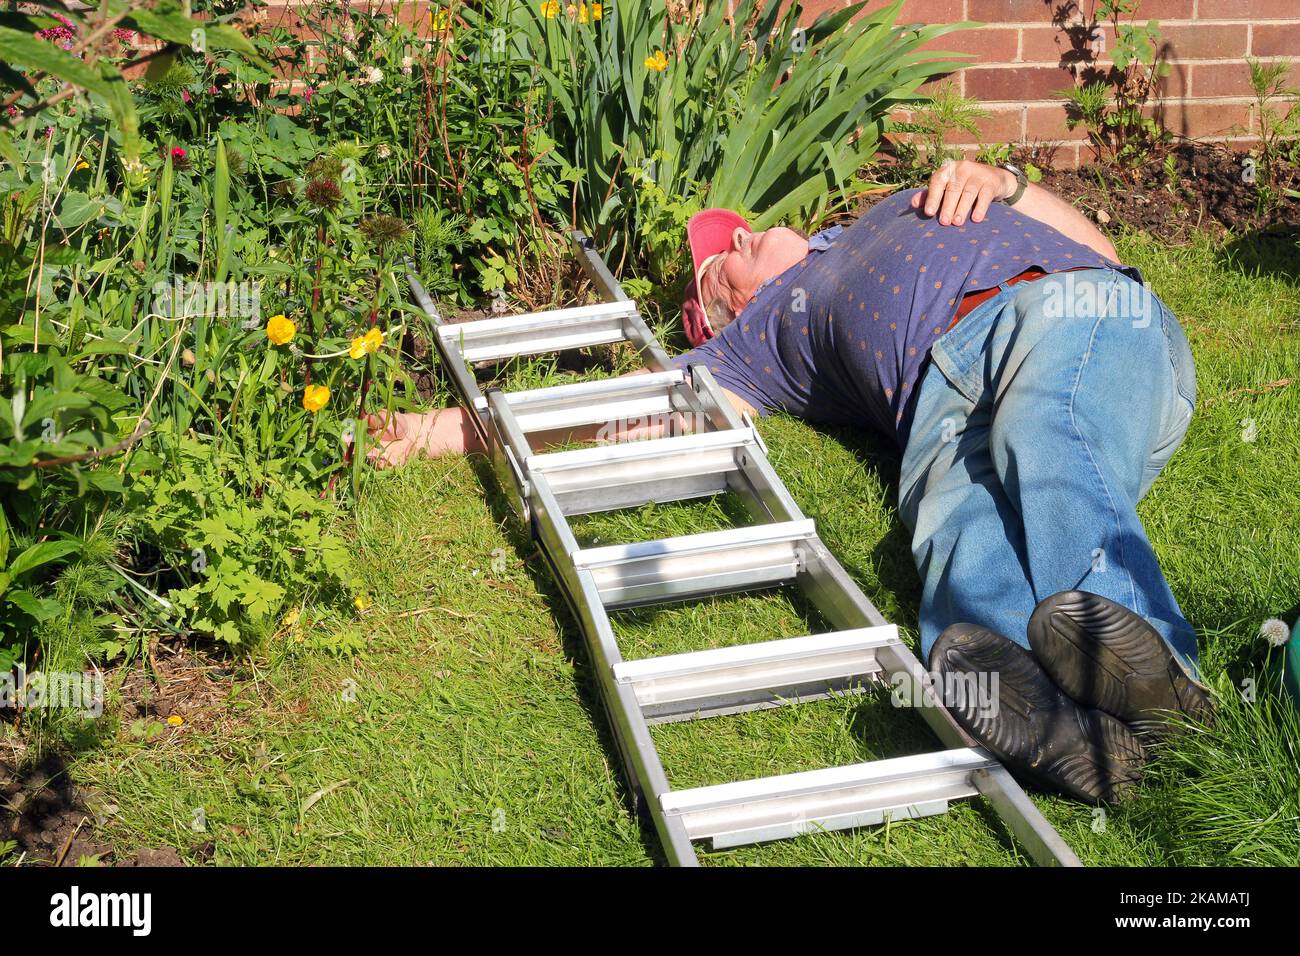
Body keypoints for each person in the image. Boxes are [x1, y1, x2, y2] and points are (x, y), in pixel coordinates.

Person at [365, 159, 1212, 802]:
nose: (737, 237)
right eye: (719, 263)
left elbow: (1103, 253)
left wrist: (1009, 184)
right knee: (956, 532)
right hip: (942, 413)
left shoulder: (903, 201)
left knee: (1047, 425)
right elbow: (636, 405)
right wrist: (442, 430)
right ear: (723, 315)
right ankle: (1082, 738)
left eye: (733, 234)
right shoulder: (757, 347)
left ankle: (1164, 672)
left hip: (1068, 315)